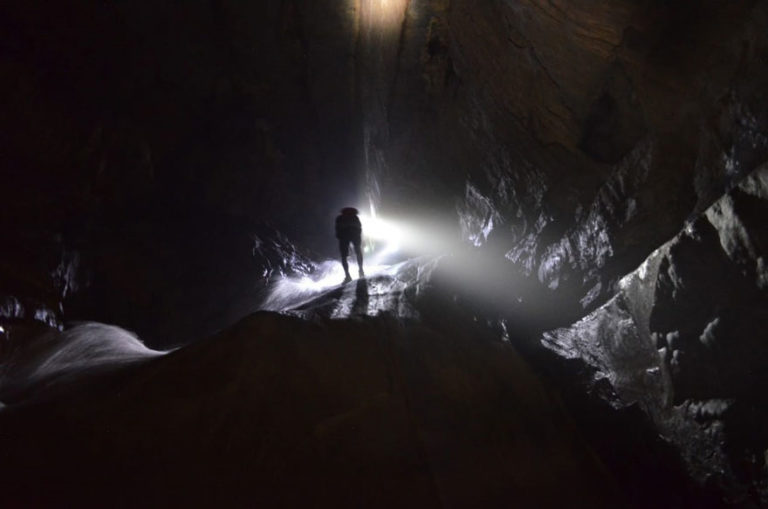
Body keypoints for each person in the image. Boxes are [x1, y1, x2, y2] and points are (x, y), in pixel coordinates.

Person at [335, 207, 364, 282]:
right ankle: (361, 271)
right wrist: (357, 236)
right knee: (358, 252)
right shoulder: (355, 217)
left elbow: (337, 230)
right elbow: (359, 228)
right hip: (354, 235)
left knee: (344, 257)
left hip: (344, 237)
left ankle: (347, 275)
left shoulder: (340, 218)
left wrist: (340, 236)